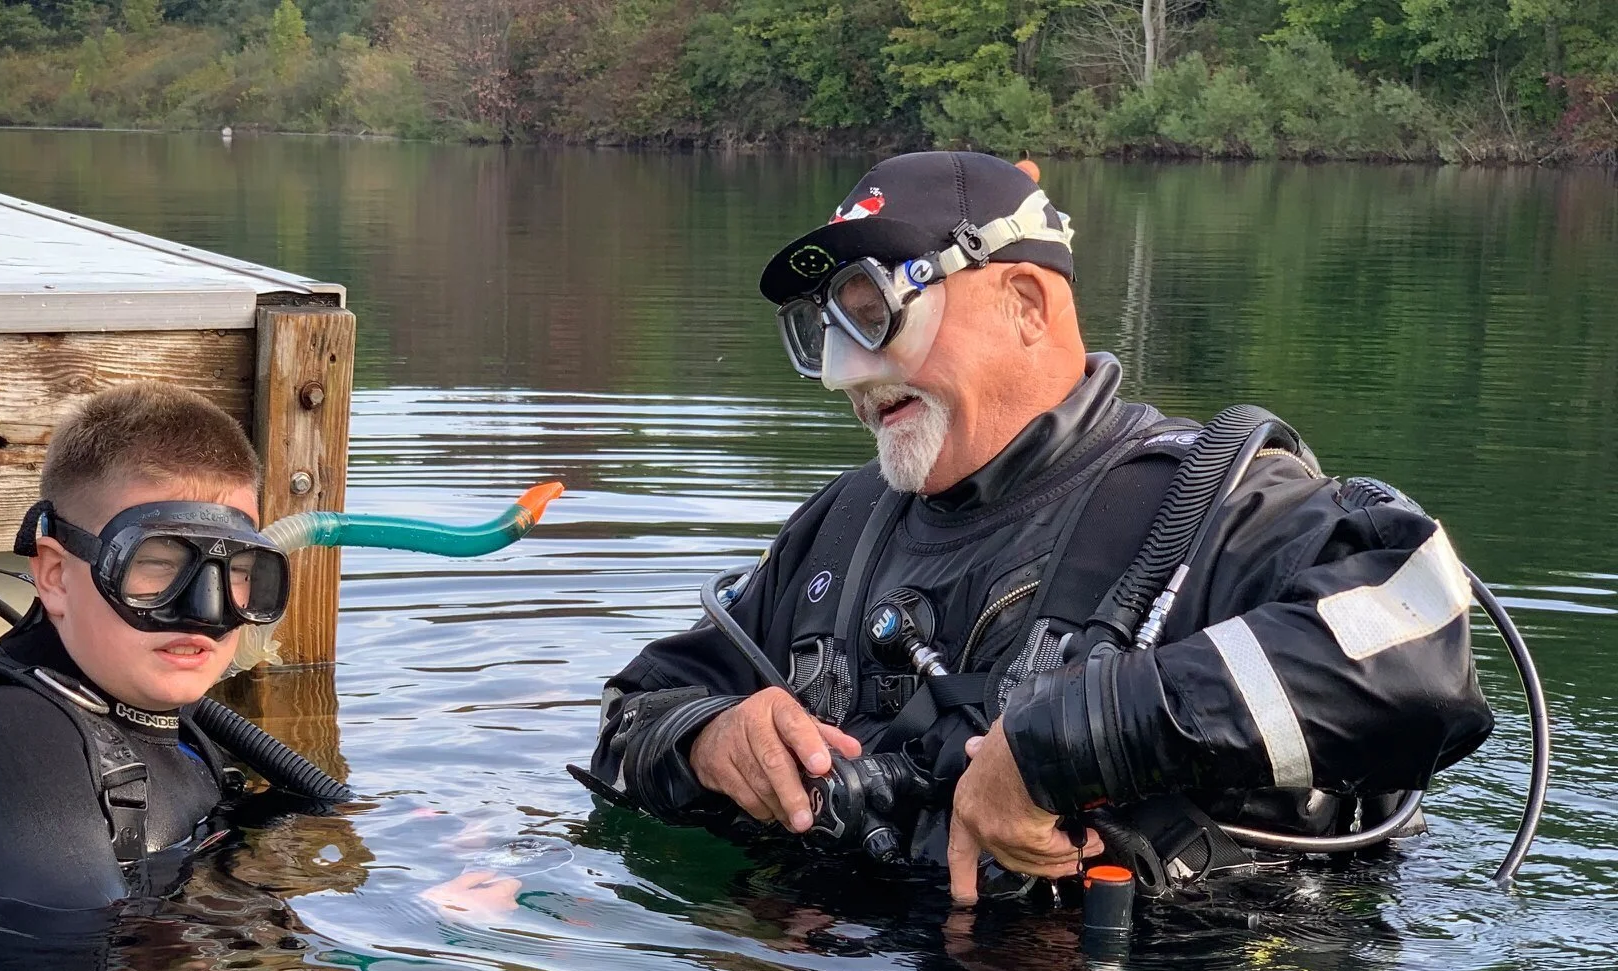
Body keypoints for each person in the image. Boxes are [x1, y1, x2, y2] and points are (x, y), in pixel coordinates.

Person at [588, 152, 1493, 903]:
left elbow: (1419, 655)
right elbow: (634, 712)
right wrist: (713, 740)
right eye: (823, 334)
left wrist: (1068, 742)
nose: (843, 377)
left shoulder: (1212, 505)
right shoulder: (842, 527)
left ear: (1025, 303)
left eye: (876, 319)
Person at [0, 381, 294, 913]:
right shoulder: (12, 735)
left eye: (240, 573)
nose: (207, 611)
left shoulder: (180, 727)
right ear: (57, 576)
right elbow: (82, 970)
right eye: (156, 564)